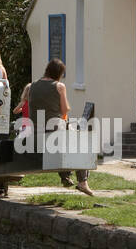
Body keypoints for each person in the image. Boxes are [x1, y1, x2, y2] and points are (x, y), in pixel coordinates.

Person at [29, 59, 93, 196]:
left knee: (64, 138)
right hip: (54, 130)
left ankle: (65, 176)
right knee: (80, 140)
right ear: (59, 73)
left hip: (35, 132)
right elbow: (65, 110)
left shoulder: (33, 85)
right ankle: (82, 182)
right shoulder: (59, 86)